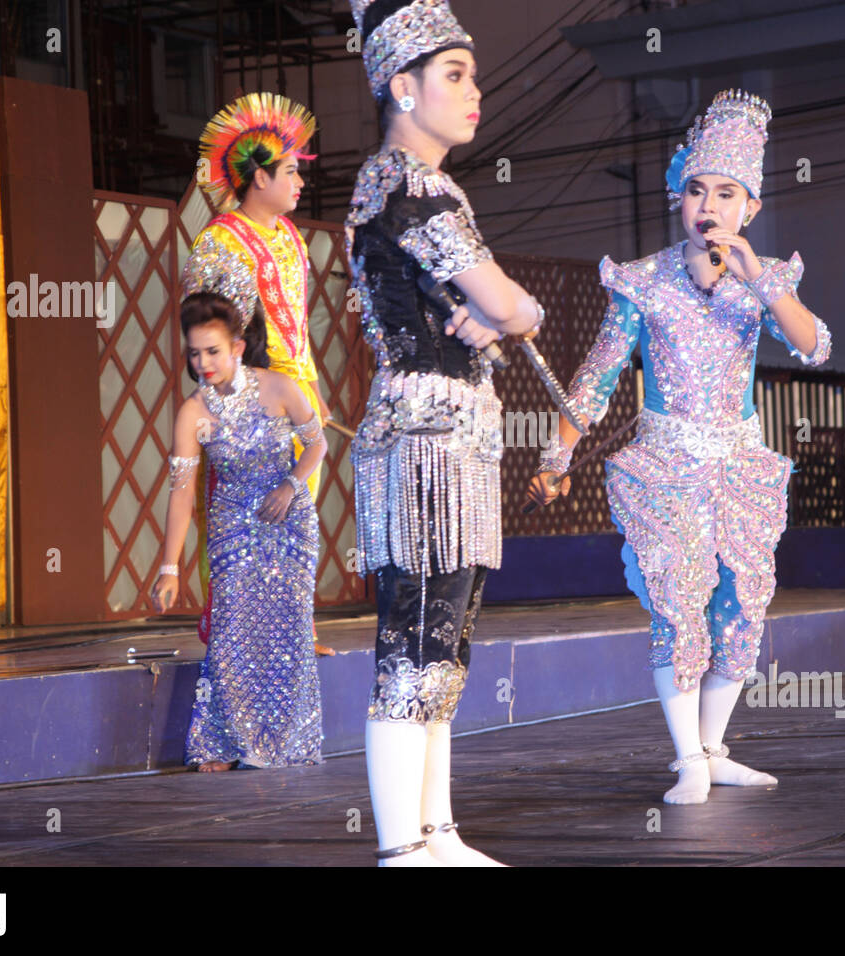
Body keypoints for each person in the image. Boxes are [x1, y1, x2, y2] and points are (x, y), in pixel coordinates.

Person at [528, 90, 832, 805]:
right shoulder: (641, 281)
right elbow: (597, 377)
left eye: (726, 193)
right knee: (679, 604)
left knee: (744, 606)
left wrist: (762, 282)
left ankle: (715, 746)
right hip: (666, 465)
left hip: (739, 461)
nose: (709, 205)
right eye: (697, 189)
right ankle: (686, 758)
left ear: (748, 208)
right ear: (679, 195)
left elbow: (816, 347)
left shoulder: (764, 283)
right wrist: (555, 458)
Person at [346, 0, 545, 864]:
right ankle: (402, 848)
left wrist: (494, 317)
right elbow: (503, 301)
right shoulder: (408, 183)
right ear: (401, 85)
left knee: (444, 645)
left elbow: (483, 312)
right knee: (419, 639)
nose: (475, 92)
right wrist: (513, 310)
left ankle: (436, 835)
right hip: (425, 440)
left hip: (449, 436)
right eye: (455, 75)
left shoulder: (420, 186)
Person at [180, 91, 335, 656]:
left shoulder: (291, 238)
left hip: (293, 393)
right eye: (292, 171)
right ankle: (234, 627)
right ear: (259, 177)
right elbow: (208, 336)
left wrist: (312, 391)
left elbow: (297, 325)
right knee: (238, 514)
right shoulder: (219, 242)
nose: (300, 182)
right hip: (246, 399)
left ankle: (295, 625)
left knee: (295, 511)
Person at [152, 291, 327, 771]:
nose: (202, 362)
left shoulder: (280, 387)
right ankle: (226, 743)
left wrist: (291, 487)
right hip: (232, 527)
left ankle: (287, 740)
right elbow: (182, 494)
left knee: (288, 632)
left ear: (237, 347)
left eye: (212, 351)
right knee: (232, 632)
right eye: (194, 352)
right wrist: (170, 567)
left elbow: (317, 444)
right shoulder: (194, 413)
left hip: (288, 523)